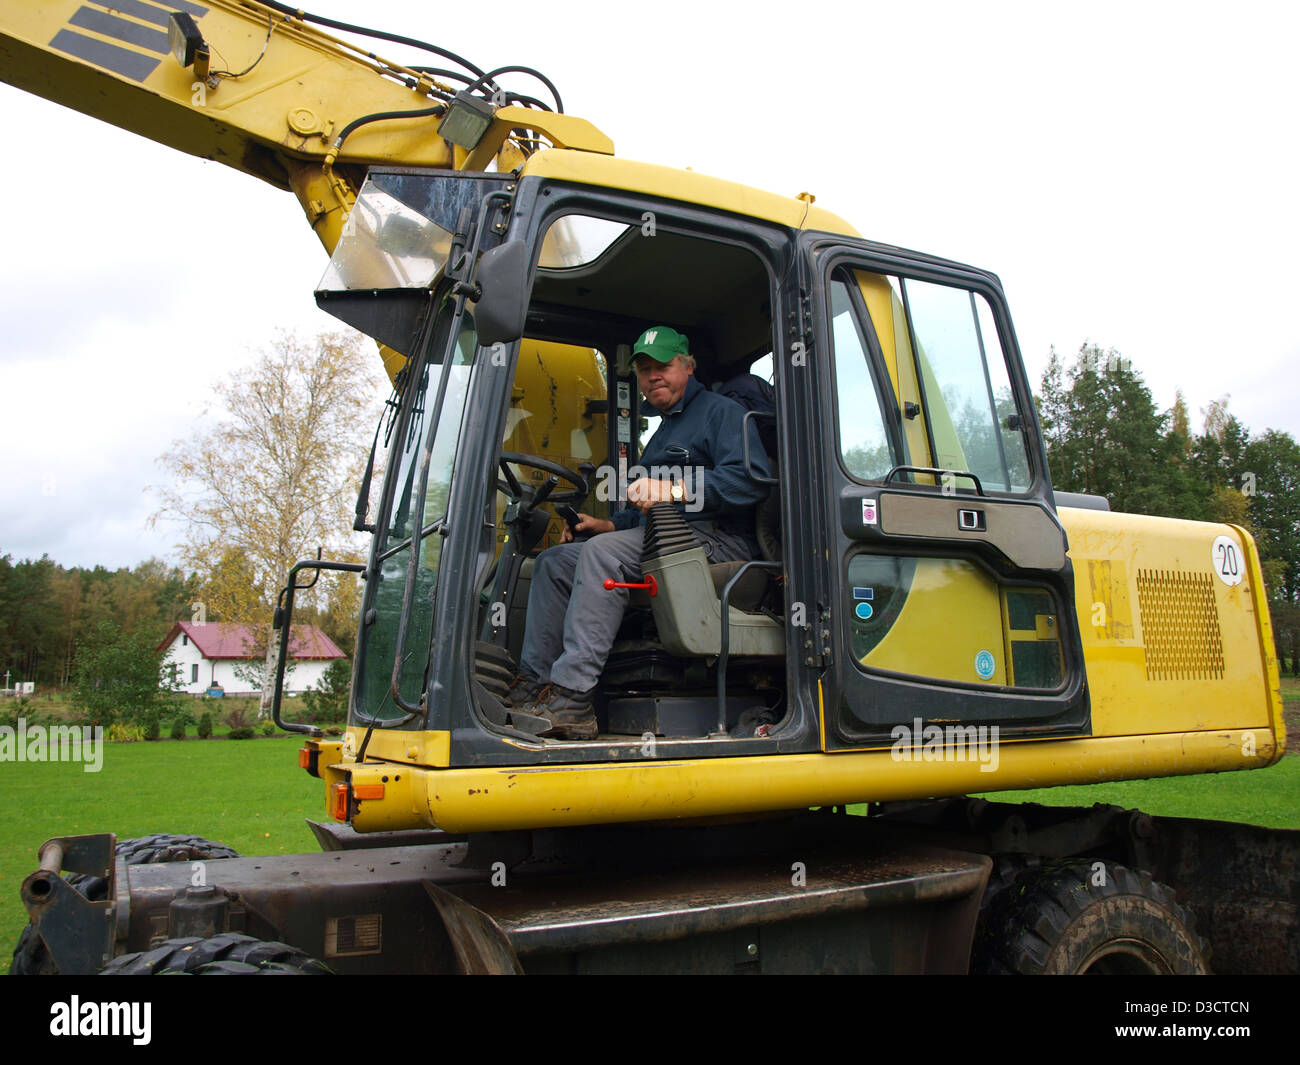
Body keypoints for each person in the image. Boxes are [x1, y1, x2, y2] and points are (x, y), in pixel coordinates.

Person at [512, 325, 772, 739]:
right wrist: (607, 524)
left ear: (687, 367)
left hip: (717, 539)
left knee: (604, 555)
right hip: (664, 537)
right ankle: (535, 684)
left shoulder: (723, 413)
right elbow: (644, 510)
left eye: (663, 366)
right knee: (556, 560)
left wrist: (674, 489)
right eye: (645, 369)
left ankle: (574, 696)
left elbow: (750, 481)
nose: (653, 377)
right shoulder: (661, 435)